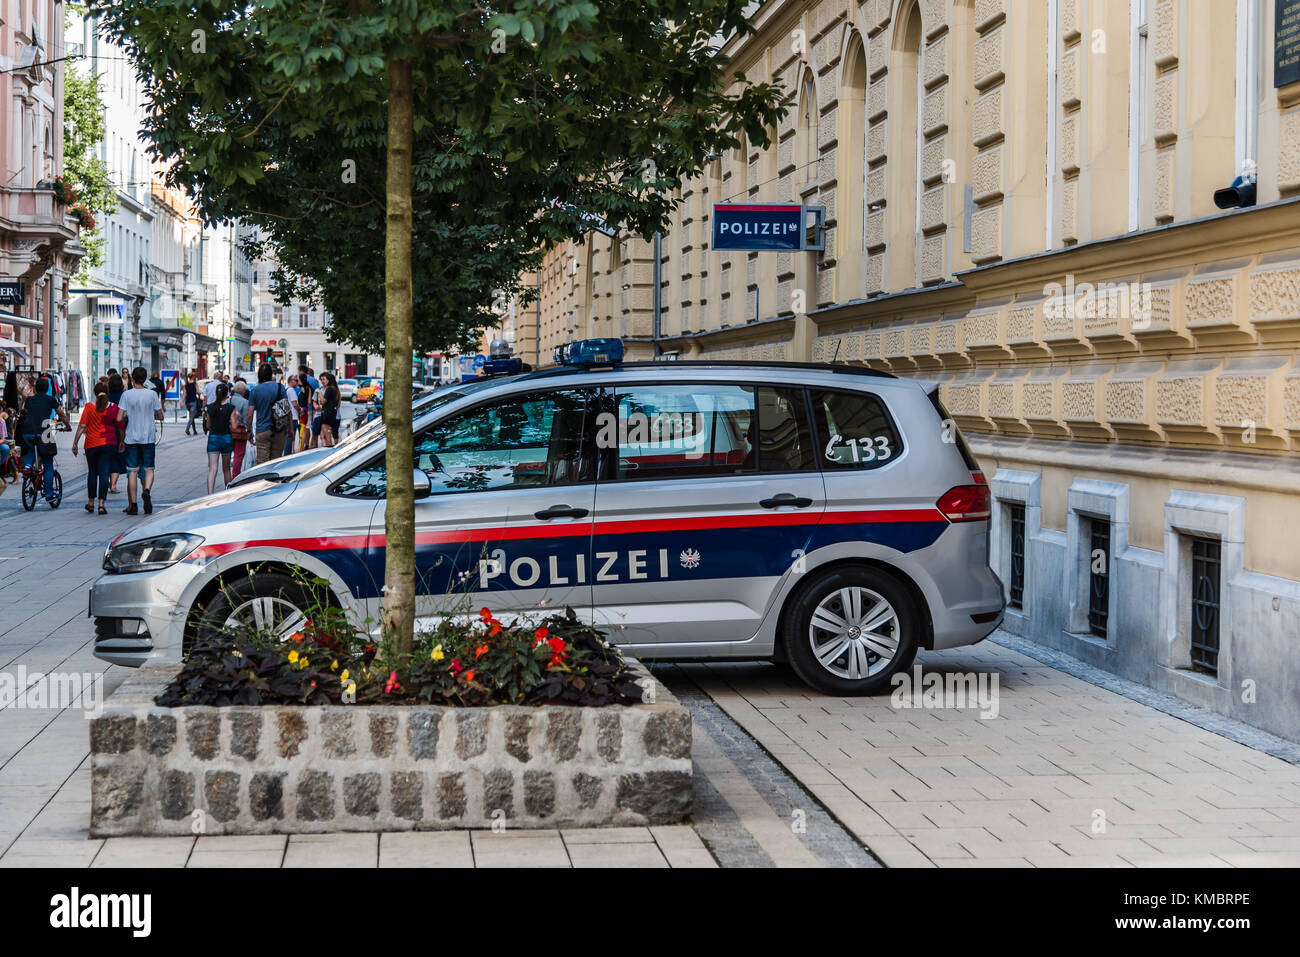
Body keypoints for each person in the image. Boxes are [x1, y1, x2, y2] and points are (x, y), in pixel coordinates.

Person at [119, 367, 163, 515]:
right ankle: (147, 491)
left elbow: (119, 417)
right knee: (149, 468)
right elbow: (160, 415)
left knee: (132, 471)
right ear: (145, 379)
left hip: (131, 437)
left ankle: (133, 504)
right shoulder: (152, 394)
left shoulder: (126, 395)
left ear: (132, 378)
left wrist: (128, 416)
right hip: (148, 437)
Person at [18, 375, 68, 505]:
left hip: (27, 433)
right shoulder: (51, 399)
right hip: (44, 433)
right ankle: (50, 495)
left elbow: (24, 411)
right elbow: (61, 414)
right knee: (48, 463)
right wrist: (67, 426)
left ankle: (28, 466)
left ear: (35, 388)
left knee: (32, 447)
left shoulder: (29, 400)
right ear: (48, 388)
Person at [73, 383, 120, 515]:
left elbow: (82, 426)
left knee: (92, 473)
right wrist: (122, 440)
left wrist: (75, 443)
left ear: (94, 392)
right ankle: (101, 505)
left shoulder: (89, 407)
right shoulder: (112, 407)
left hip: (91, 444)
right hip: (108, 444)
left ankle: (90, 503)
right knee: (104, 474)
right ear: (107, 392)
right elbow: (119, 424)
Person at [204, 382, 239, 493]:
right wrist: (236, 418)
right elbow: (234, 426)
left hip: (213, 438)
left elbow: (208, 426)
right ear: (227, 394)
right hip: (226, 439)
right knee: (226, 468)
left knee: (212, 469)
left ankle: (210, 493)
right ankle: (227, 492)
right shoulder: (230, 408)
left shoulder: (210, 407)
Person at [250, 363, 288, 463]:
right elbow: (287, 409)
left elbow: (249, 414)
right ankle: (274, 479)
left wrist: (249, 431)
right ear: (271, 375)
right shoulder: (280, 388)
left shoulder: (254, 391)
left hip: (262, 430)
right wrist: (290, 428)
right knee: (276, 462)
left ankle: (264, 479)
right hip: (279, 429)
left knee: (262, 463)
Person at [229, 380, 252, 476]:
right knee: (238, 455)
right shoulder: (245, 402)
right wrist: (249, 431)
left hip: (228, 430)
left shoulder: (228, 400)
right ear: (243, 391)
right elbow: (247, 418)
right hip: (239, 431)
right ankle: (235, 474)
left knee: (227, 454)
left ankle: (227, 474)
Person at [318, 371, 341, 447]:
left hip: (327, 414)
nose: (323, 381)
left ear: (329, 380)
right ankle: (331, 447)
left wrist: (319, 392)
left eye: (324, 379)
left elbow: (323, 401)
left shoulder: (329, 389)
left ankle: (329, 449)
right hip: (332, 413)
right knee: (328, 434)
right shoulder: (336, 389)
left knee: (327, 435)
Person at [282, 374, 302, 456]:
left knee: (287, 437)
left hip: (287, 416)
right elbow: (294, 404)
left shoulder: (286, 389)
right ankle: (287, 455)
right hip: (293, 417)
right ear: (291, 381)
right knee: (290, 437)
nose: (297, 382)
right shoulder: (291, 390)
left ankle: (287, 453)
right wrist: (300, 410)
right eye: (296, 380)